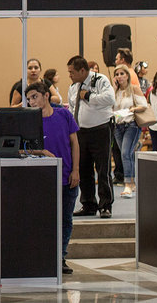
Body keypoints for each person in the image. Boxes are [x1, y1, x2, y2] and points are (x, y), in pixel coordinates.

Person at [25, 80, 80, 275]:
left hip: (66, 176)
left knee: (65, 219)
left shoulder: (63, 115)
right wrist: (41, 151)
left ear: (46, 95)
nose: (31, 102)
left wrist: (76, 170)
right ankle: (42, 256)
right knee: (42, 219)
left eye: (34, 97)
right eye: (29, 99)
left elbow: (74, 143)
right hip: (42, 180)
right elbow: (23, 148)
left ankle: (60, 256)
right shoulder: (30, 120)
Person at [68, 55, 116, 218]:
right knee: (83, 168)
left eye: (72, 72)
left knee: (103, 169)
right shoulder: (73, 87)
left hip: (101, 129)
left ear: (82, 70)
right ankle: (88, 204)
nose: (70, 75)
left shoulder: (100, 80)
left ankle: (105, 205)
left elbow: (110, 99)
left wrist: (88, 96)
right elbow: (72, 107)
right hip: (81, 131)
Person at [112, 66, 147, 198]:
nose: (119, 76)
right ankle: (132, 182)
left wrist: (133, 109)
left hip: (131, 124)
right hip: (118, 126)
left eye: (122, 73)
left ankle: (128, 183)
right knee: (126, 154)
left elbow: (143, 105)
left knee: (125, 154)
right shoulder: (115, 91)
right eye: (117, 74)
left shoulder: (133, 89)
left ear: (127, 75)